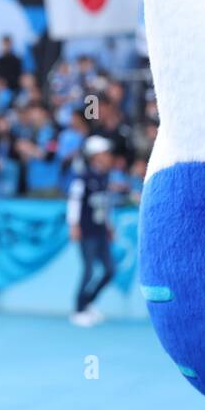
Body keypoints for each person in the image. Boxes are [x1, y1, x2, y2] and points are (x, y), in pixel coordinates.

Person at [68, 136, 117, 326]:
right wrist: (74, 225)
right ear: (95, 156)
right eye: (104, 154)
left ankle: (88, 303)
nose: (108, 157)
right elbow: (74, 202)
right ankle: (78, 309)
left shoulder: (104, 177)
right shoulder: (83, 178)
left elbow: (104, 206)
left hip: (100, 231)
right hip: (86, 230)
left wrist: (109, 225)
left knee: (110, 270)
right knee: (88, 270)